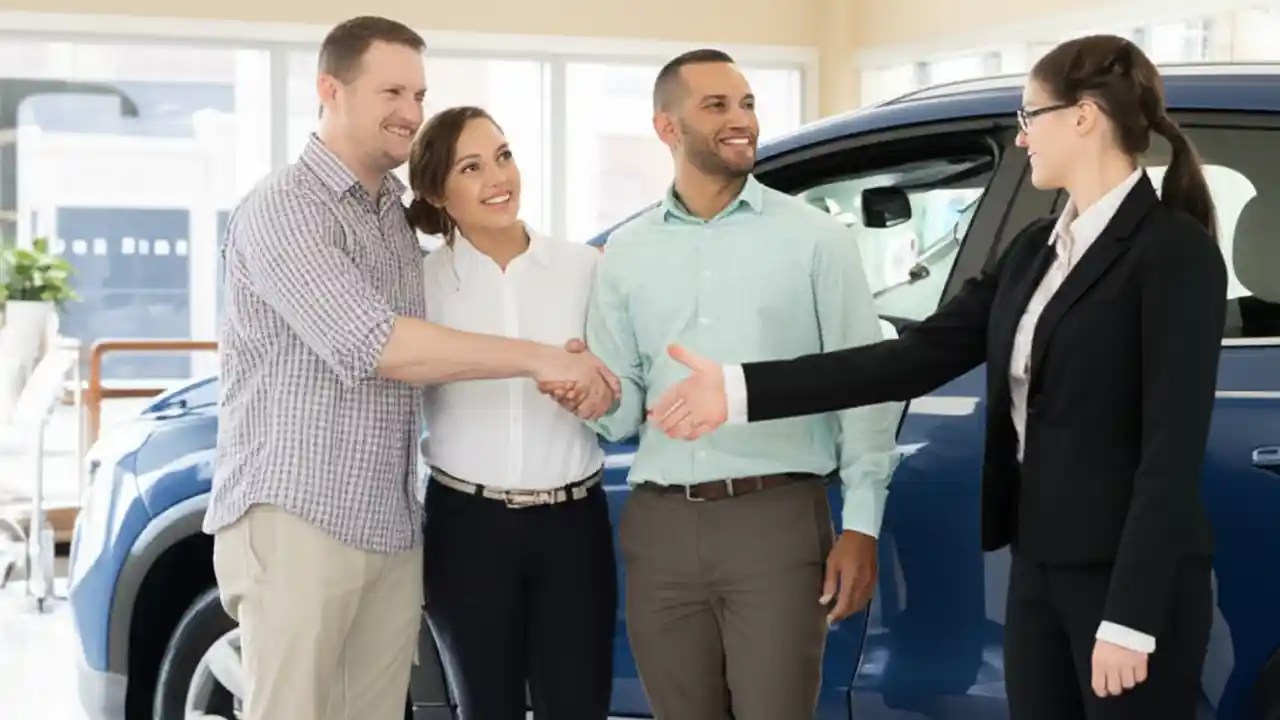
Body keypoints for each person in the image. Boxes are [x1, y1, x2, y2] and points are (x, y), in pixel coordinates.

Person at [650, 34, 1223, 720]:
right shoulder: (1035, 250)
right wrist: (739, 390)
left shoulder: (1172, 253)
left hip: (1129, 588)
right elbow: (912, 359)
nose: (1021, 141)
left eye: (1028, 118)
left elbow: (1171, 454)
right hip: (1039, 569)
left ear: (1083, 116)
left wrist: (1131, 618)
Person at [204, 17, 618, 720]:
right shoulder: (283, 209)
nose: (410, 111)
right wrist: (539, 359)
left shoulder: (390, 221)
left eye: (419, 93)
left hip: (391, 528)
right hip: (298, 518)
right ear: (328, 90)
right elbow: (378, 346)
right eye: (391, 90)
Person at [546, 48, 901, 720]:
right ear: (666, 127)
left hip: (777, 521)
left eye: (747, 105)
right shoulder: (626, 253)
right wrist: (589, 394)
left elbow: (865, 383)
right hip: (661, 527)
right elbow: (621, 412)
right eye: (717, 106)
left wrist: (861, 526)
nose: (741, 121)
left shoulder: (816, 240)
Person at [405, 106, 616, 720]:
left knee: (577, 707)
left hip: (573, 526)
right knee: (484, 708)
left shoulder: (585, 269)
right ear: (436, 191)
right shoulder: (420, 286)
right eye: (471, 167)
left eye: (503, 155)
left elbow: (621, 389)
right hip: (466, 528)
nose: (499, 177)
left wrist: (601, 396)